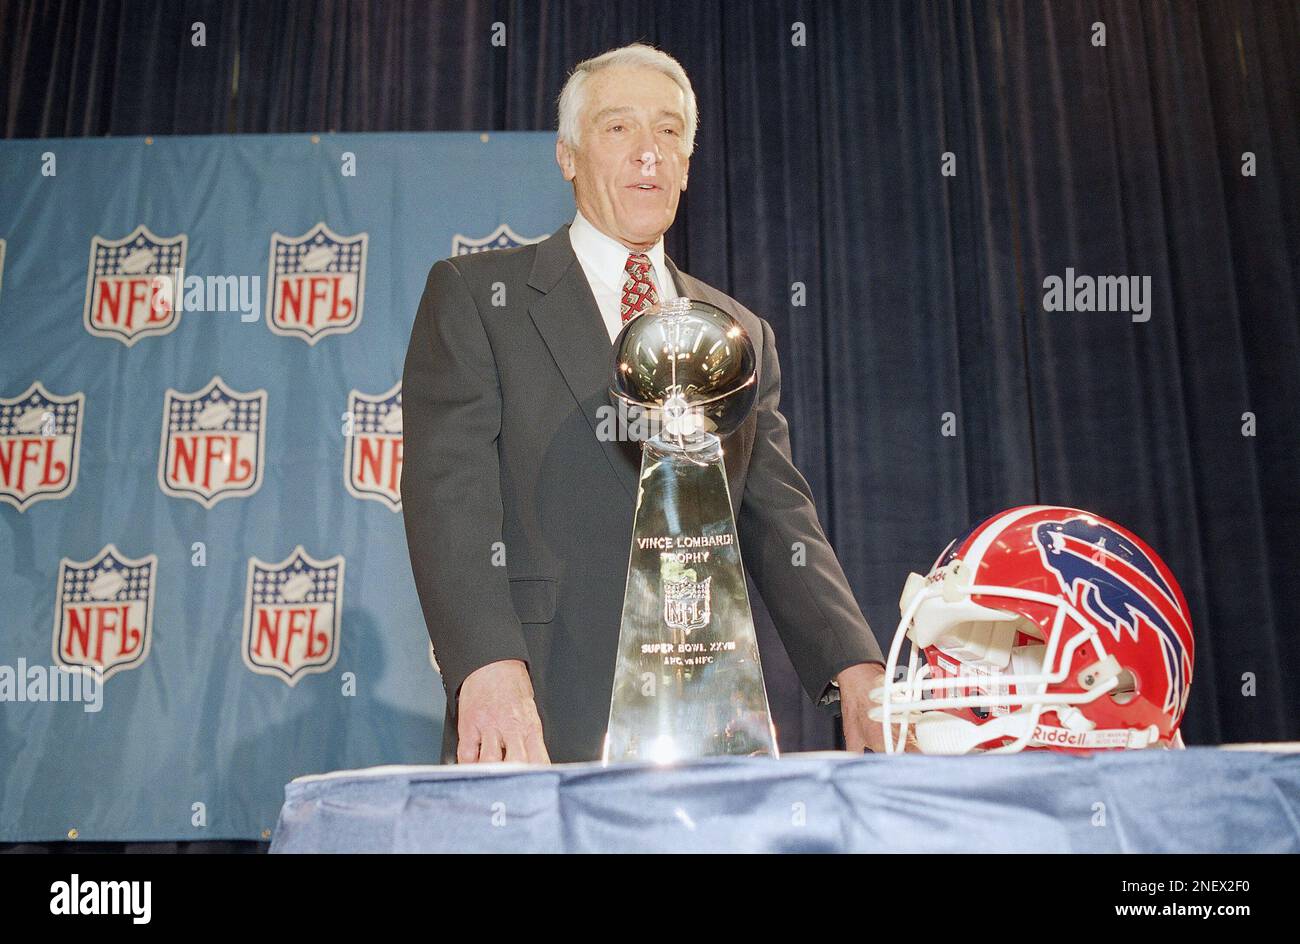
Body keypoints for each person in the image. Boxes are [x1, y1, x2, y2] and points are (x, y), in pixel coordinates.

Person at [401, 43, 891, 764]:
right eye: (618, 128)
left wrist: (857, 668)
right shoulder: (480, 298)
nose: (648, 154)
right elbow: (448, 498)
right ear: (568, 155)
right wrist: (486, 668)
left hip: (710, 717)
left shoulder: (739, 331)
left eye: (668, 133)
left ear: (688, 166)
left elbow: (779, 515)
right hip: (541, 705)